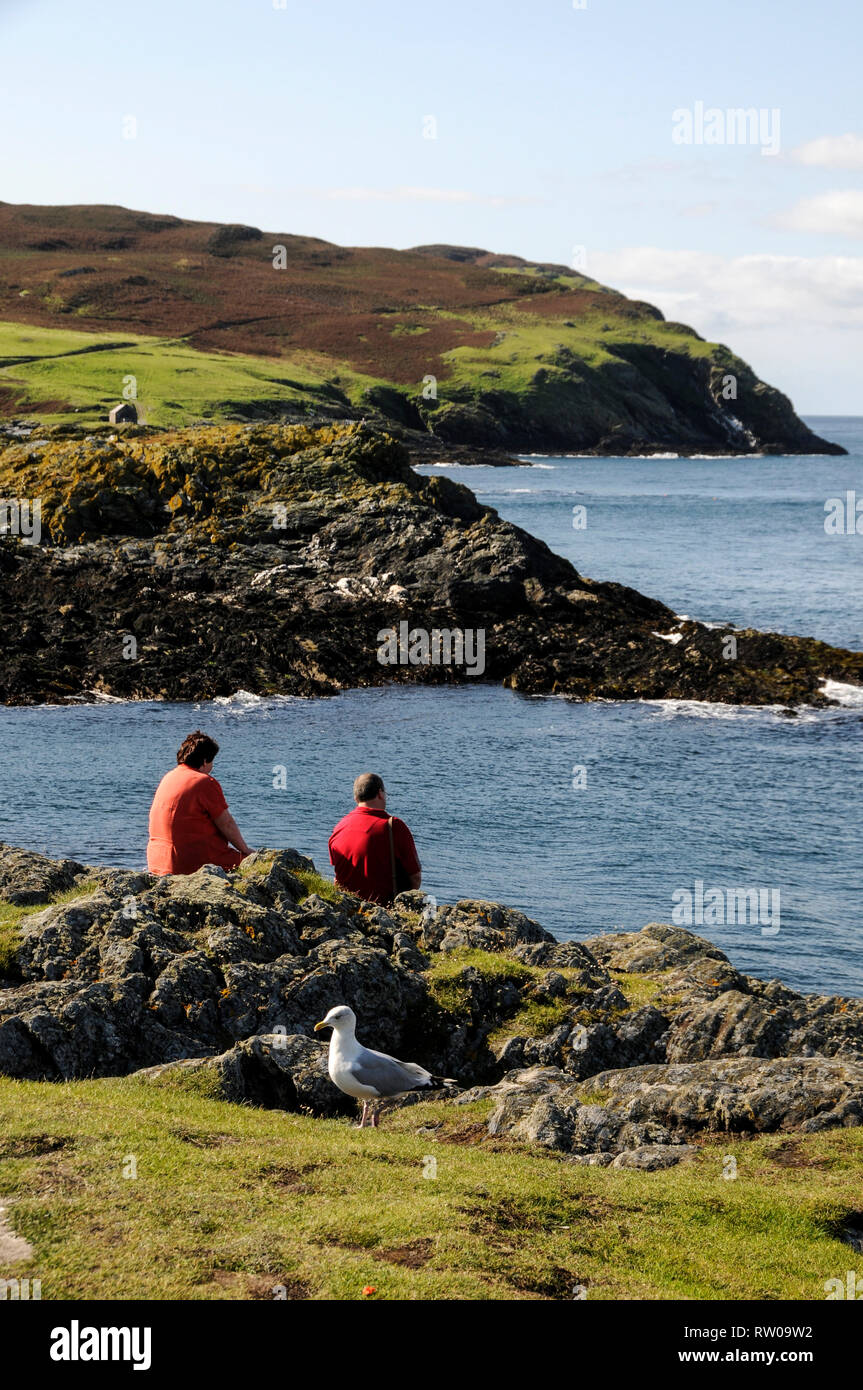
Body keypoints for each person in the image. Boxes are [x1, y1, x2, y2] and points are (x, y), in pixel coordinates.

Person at [146, 731, 252, 876]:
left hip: (157, 862)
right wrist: (245, 850)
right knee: (256, 865)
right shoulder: (205, 782)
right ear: (204, 761)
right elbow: (226, 824)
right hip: (190, 862)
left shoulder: (168, 777)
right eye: (212, 761)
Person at [329, 772, 421, 905]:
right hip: (382, 911)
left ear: (356, 798)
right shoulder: (393, 826)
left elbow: (337, 877)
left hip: (345, 907)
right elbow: (416, 879)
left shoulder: (339, 827)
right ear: (380, 793)